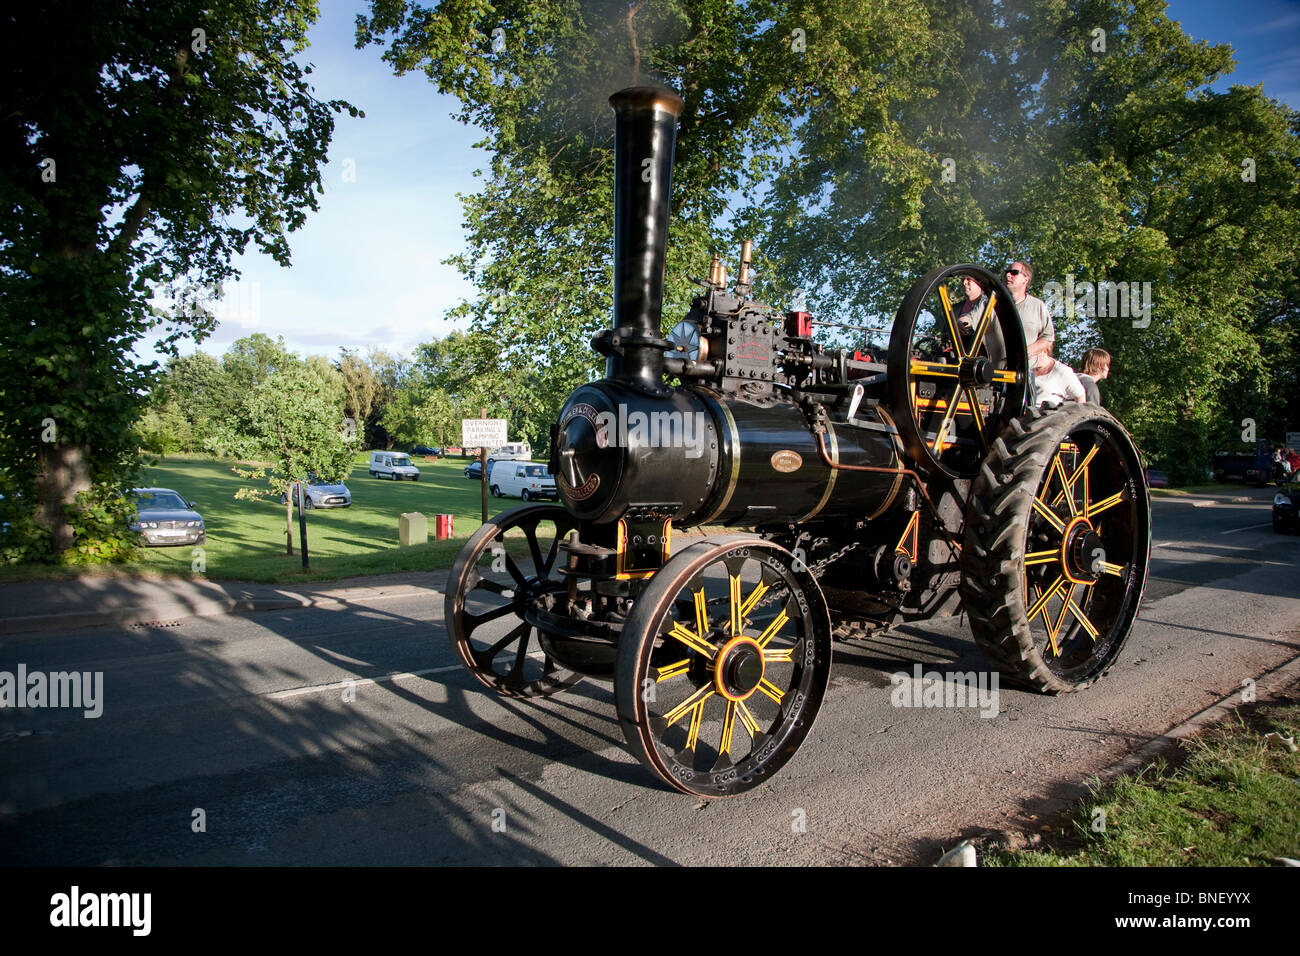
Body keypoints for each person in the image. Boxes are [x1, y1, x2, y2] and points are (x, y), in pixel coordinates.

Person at [1003, 261, 1054, 372]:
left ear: (1026, 279)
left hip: (1023, 374)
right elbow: (969, 319)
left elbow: (1048, 338)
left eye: (1014, 272)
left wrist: (1026, 352)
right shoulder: (991, 304)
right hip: (992, 374)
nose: (1008, 275)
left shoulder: (1037, 306)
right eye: (1007, 272)